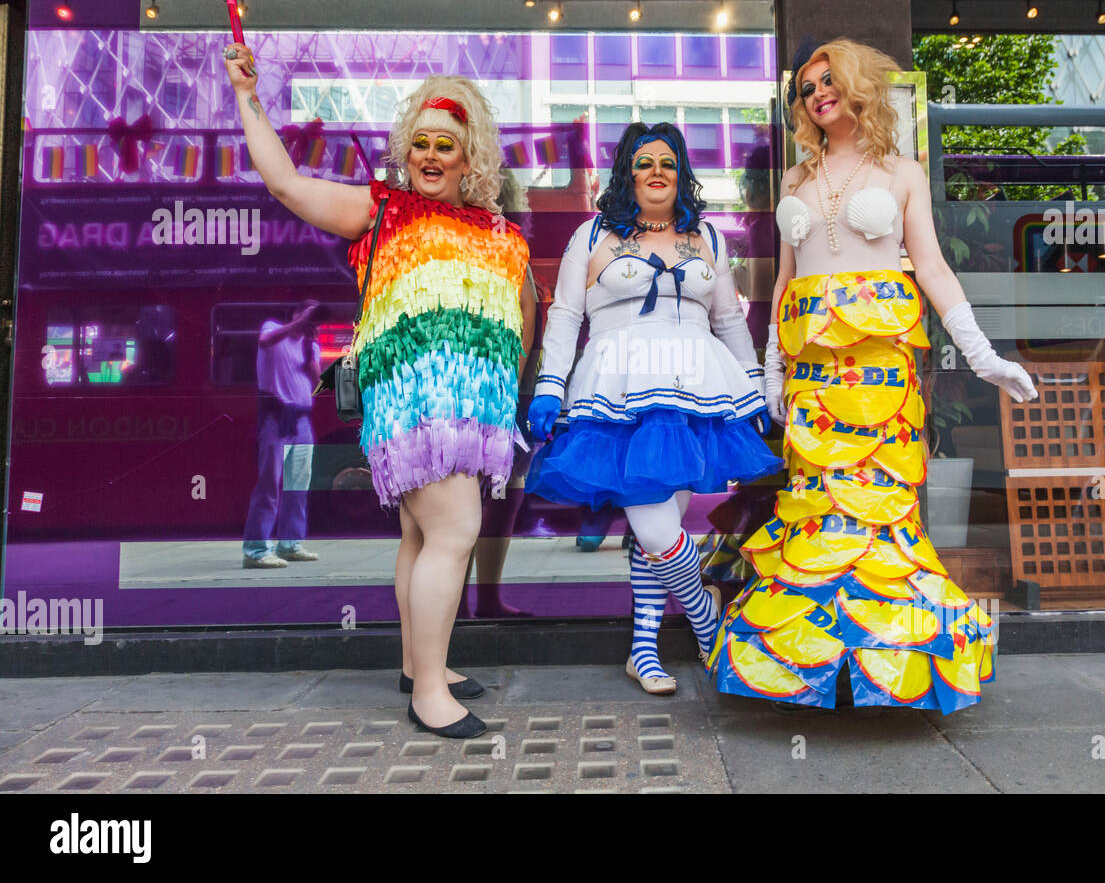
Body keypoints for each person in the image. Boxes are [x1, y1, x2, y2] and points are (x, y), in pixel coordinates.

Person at [707, 39, 1036, 713]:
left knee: (881, 516)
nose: (818, 94)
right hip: (813, 377)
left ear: (856, 83)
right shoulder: (797, 179)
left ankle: (891, 672)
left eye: (829, 80)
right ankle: (811, 670)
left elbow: (934, 268)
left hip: (881, 375)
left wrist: (982, 355)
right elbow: (786, 278)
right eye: (806, 88)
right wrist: (772, 366)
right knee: (820, 516)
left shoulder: (902, 172)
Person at [223, 45, 531, 738]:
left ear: (469, 157)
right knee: (455, 529)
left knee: (423, 533)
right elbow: (285, 184)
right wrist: (248, 96)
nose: (428, 155)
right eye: (418, 142)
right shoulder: (381, 209)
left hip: (469, 408)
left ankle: (420, 662)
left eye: (444, 145)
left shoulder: (498, 233)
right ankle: (429, 690)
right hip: (415, 402)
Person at [525, 122, 782, 695]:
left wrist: (752, 384)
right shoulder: (591, 236)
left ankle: (644, 650)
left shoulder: (707, 237)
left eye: (668, 161)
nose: (657, 171)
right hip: (618, 389)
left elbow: (728, 319)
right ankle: (707, 616)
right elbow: (566, 314)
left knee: (653, 531)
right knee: (659, 527)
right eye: (644, 162)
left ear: (681, 172)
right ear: (627, 174)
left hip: (697, 392)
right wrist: (549, 383)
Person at [241, 299, 326, 569]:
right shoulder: (273, 328)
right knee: (270, 484)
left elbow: (317, 381)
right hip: (274, 418)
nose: (311, 319)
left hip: (301, 419)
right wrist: (299, 323)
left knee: (297, 485)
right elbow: (265, 341)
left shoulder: (310, 344)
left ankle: (289, 544)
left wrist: (311, 351)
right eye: (307, 312)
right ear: (295, 312)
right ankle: (255, 549)